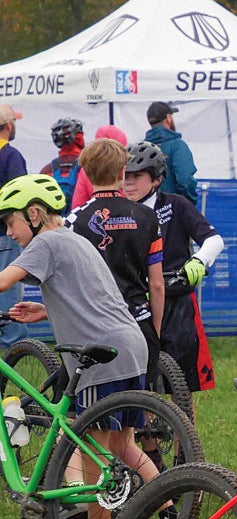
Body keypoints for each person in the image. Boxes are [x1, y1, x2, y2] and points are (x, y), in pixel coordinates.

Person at [0, 174, 159, 519]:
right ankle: (174, 514)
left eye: (10, 222)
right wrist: (45, 309)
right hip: (130, 345)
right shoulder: (76, 239)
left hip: (101, 357)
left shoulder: (46, 241)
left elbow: (4, 281)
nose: (9, 232)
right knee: (124, 445)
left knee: (90, 445)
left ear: (34, 214)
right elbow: (90, 296)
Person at [123, 141, 223, 393]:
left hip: (177, 300)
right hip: (138, 302)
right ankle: (146, 432)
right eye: (125, 176)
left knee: (183, 382)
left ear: (156, 180)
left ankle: (184, 431)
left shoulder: (175, 204)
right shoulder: (119, 212)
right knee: (141, 378)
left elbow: (213, 239)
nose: (129, 183)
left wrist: (199, 260)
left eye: (137, 176)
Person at [66, 138, 165, 391]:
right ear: (123, 171)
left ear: (86, 174)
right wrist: (154, 330)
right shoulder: (147, 216)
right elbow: (156, 284)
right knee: (136, 406)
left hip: (95, 324)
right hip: (138, 320)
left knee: (95, 412)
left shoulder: (75, 220)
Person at [0, 104, 29, 349]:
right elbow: (20, 196)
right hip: (6, 233)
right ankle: (14, 347)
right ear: (9, 126)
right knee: (9, 294)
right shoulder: (11, 156)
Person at [144, 101, 199, 205]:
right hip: (174, 211)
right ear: (168, 118)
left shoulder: (143, 147)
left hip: (147, 210)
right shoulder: (178, 146)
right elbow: (185, 180)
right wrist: (190, 204)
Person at [71, 125, 129, 210]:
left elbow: (78, 203)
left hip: (93, 217)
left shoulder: (87, 167)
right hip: (126, 216)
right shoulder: (126, 166)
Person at [40, 118, 85, 206]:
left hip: (54, 218)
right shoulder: (88, 168)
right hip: (80, 217)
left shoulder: (46, 170)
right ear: (79, 137)